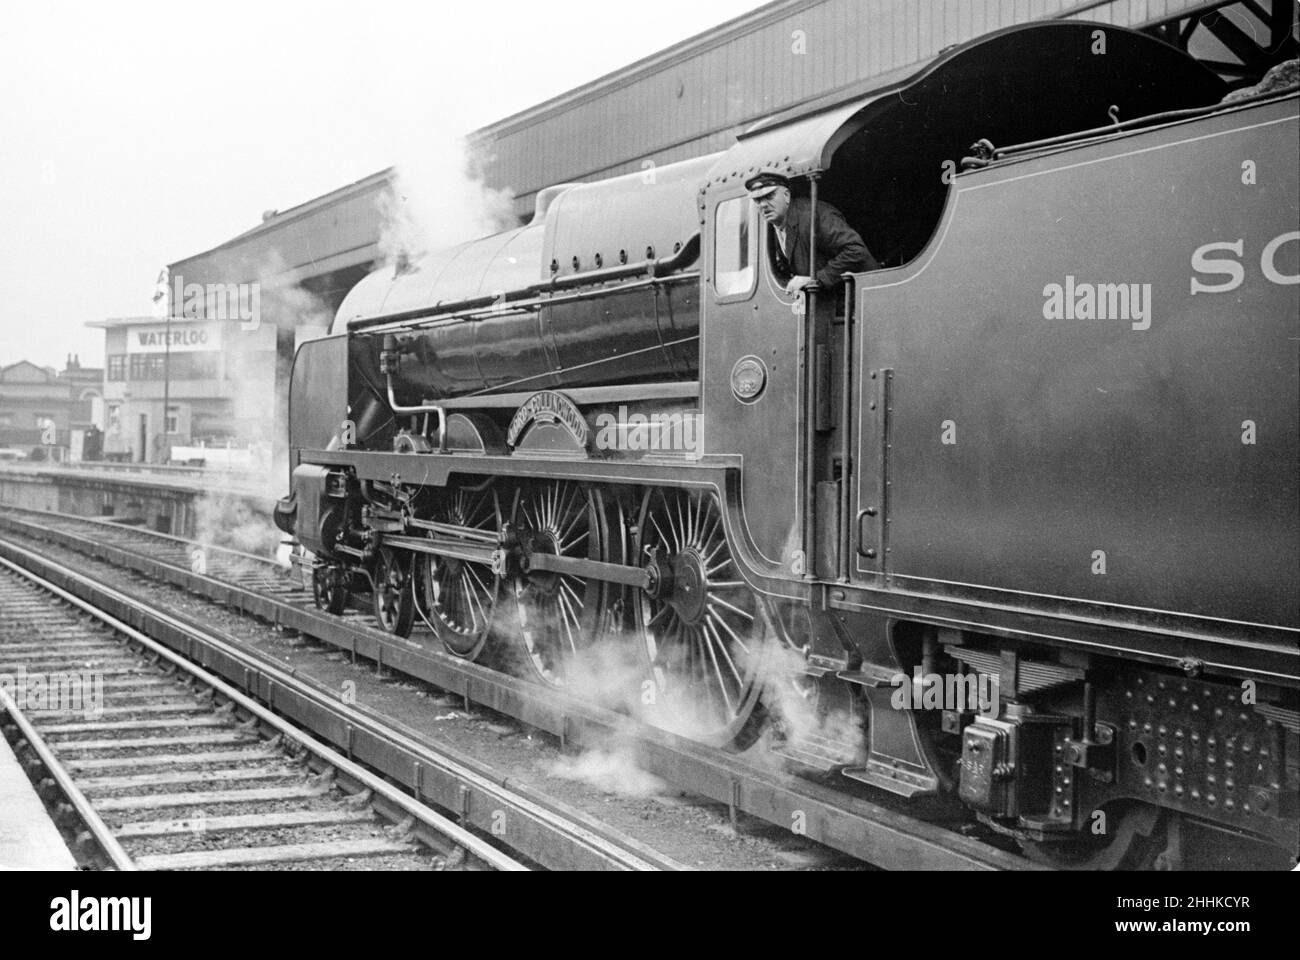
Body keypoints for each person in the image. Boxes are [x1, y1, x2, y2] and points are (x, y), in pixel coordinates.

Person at [746, 173, 877, 296]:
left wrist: (815, 279)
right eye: (757, 200)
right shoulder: (775, 224)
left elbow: (856, 250)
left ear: (786, 195)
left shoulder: (812, 215)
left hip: (860, 298)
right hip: (829, 299)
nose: (763, 204)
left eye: (769, 196)